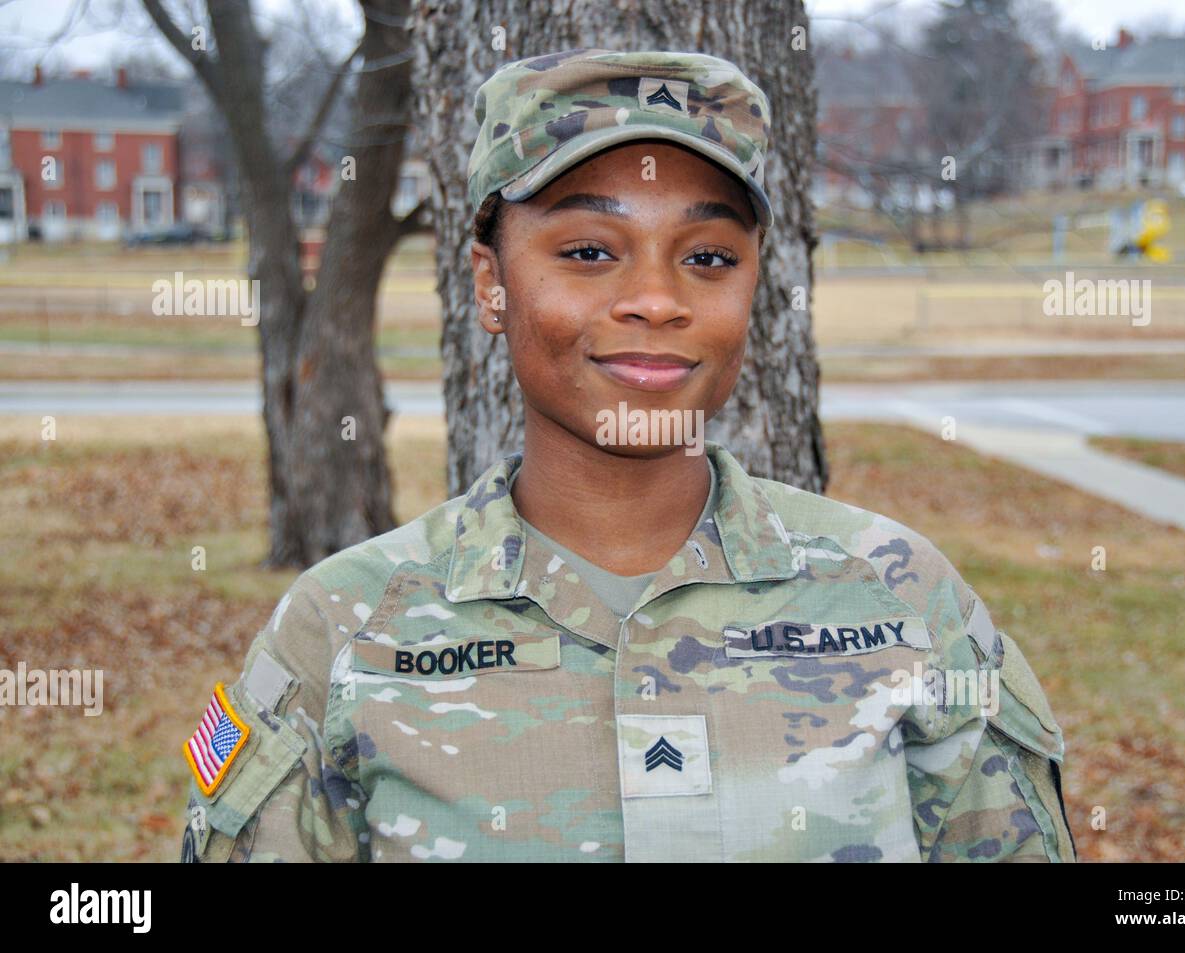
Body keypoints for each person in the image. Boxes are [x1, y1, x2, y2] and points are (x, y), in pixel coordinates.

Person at [179, 47, 1076, 863]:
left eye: (710, 257)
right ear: (491, 285)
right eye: (588, 250)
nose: (656, 298)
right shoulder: (344, 633)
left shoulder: (902, 599)